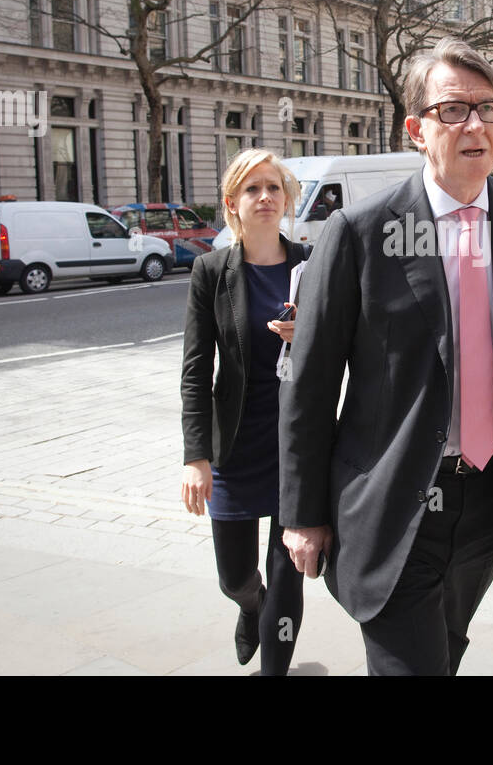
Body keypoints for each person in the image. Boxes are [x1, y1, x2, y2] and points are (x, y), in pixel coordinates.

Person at [278, 37, 493, 676]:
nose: (475, 125)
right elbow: (309, 383)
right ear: (416, 128)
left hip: (487, 502)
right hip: (395, 502)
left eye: (488, 109)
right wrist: (301, 514)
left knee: (444, 651)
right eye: (454, 110)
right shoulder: (360, 233)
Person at [180, 149, 308, 675]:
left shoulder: (310, 264)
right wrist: (196, 456)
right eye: (253, 189)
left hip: (297, 443)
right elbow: (195, 369)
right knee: (235, 576)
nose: (265, 197)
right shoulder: (211, 271)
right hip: (234, 444)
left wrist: (310, 336)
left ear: (286, 197)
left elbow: (351, 346)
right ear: (233, 203)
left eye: (273, 187)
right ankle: (248, 606)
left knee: (288, 574)